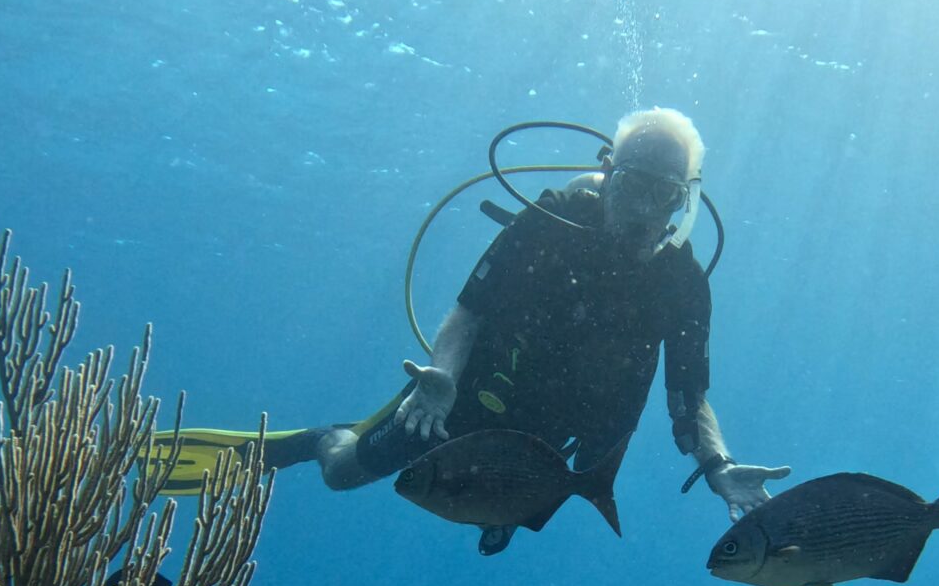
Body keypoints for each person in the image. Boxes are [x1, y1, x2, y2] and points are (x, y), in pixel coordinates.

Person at [168, 108, 787, 554]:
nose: (643, 213)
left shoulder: (681, 283)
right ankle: (319, 440)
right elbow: (468, 314)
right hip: (463, 398)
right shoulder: (546, 225)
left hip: (561, 437)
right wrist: (439, 380)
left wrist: (719, 466)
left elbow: (689, 397)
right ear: (607, 174)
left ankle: (502, 514)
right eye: (630, 188)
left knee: (512, 501)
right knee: (344, 474)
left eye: (665, 196)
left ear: (684, 203)